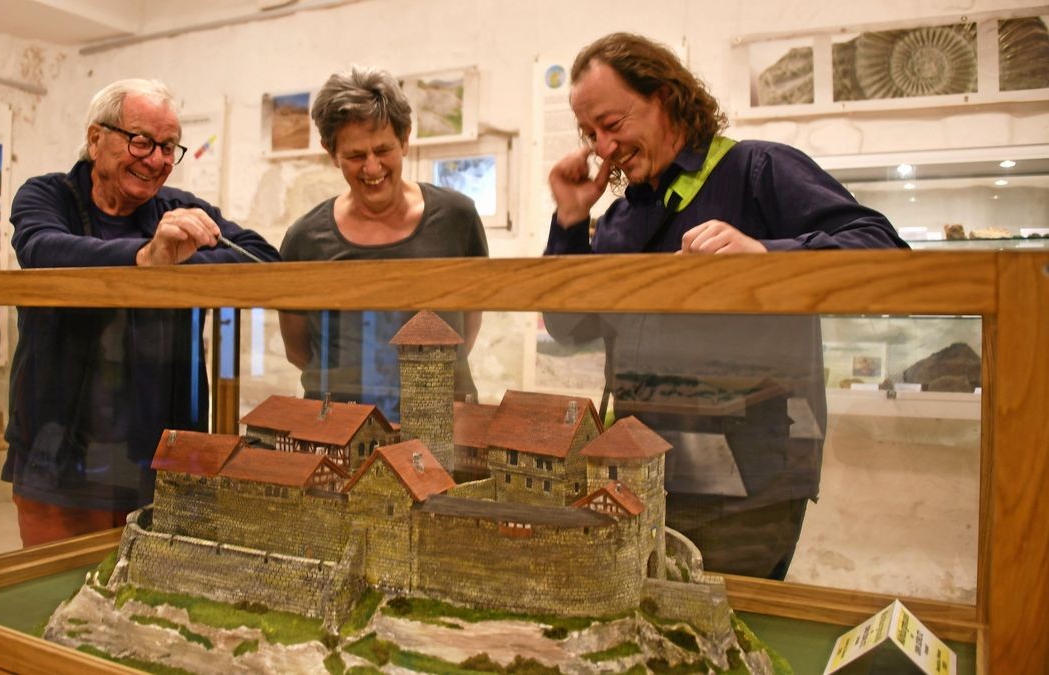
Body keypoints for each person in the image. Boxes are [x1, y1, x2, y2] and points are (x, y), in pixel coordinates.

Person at [543, 33, 908, 580]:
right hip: (642, 478)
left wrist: (767, 254)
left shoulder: (759, 171)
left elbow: (884, 252)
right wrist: (569, 222)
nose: (602, 147)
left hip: (749, 490)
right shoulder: (620, 217)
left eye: (613, 125)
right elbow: (568, 325)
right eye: (590, 133)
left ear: (665, 97)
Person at [3, 79, 280, 547]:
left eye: (168, 147)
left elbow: (261, 259)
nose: (155, 159)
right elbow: (41, 249)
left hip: (166, 457)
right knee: (58, 599)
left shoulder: (180, 209)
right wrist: (146, 258)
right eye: (141, 141)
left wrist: (174, 261)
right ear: (96, 139)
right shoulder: (46, 196)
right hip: (61, 456)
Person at [279, 66, 488, 422]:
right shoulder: (304, 238)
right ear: (332, 153)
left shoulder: (458, 217)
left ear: (405, 139)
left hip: (443, 417)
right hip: (339, 425)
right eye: (356, 156)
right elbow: (299, 351)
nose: (372, 167)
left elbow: (468, 328)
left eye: (383, 149)